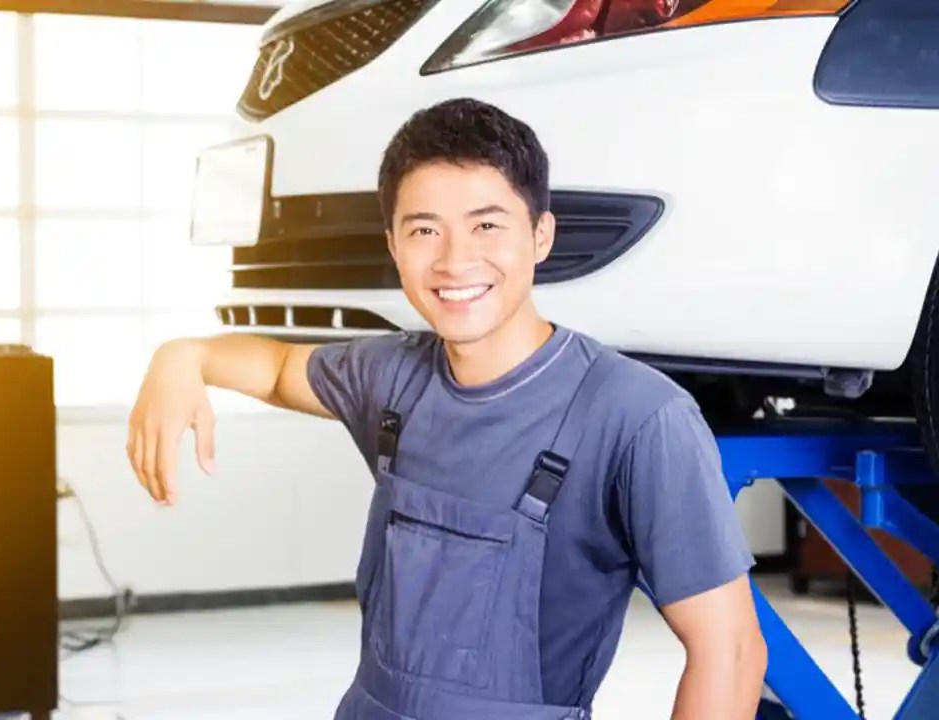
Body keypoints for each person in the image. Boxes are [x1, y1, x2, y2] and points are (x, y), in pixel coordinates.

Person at [127, 97, 767, 719]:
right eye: (425, 230)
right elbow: (275, 368)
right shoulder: (391, 377)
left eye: (487, 225)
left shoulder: (637, 417)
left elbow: (729, 651)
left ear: (541, 235)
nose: (455, 260)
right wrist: (180, 356)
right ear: (394, 244)